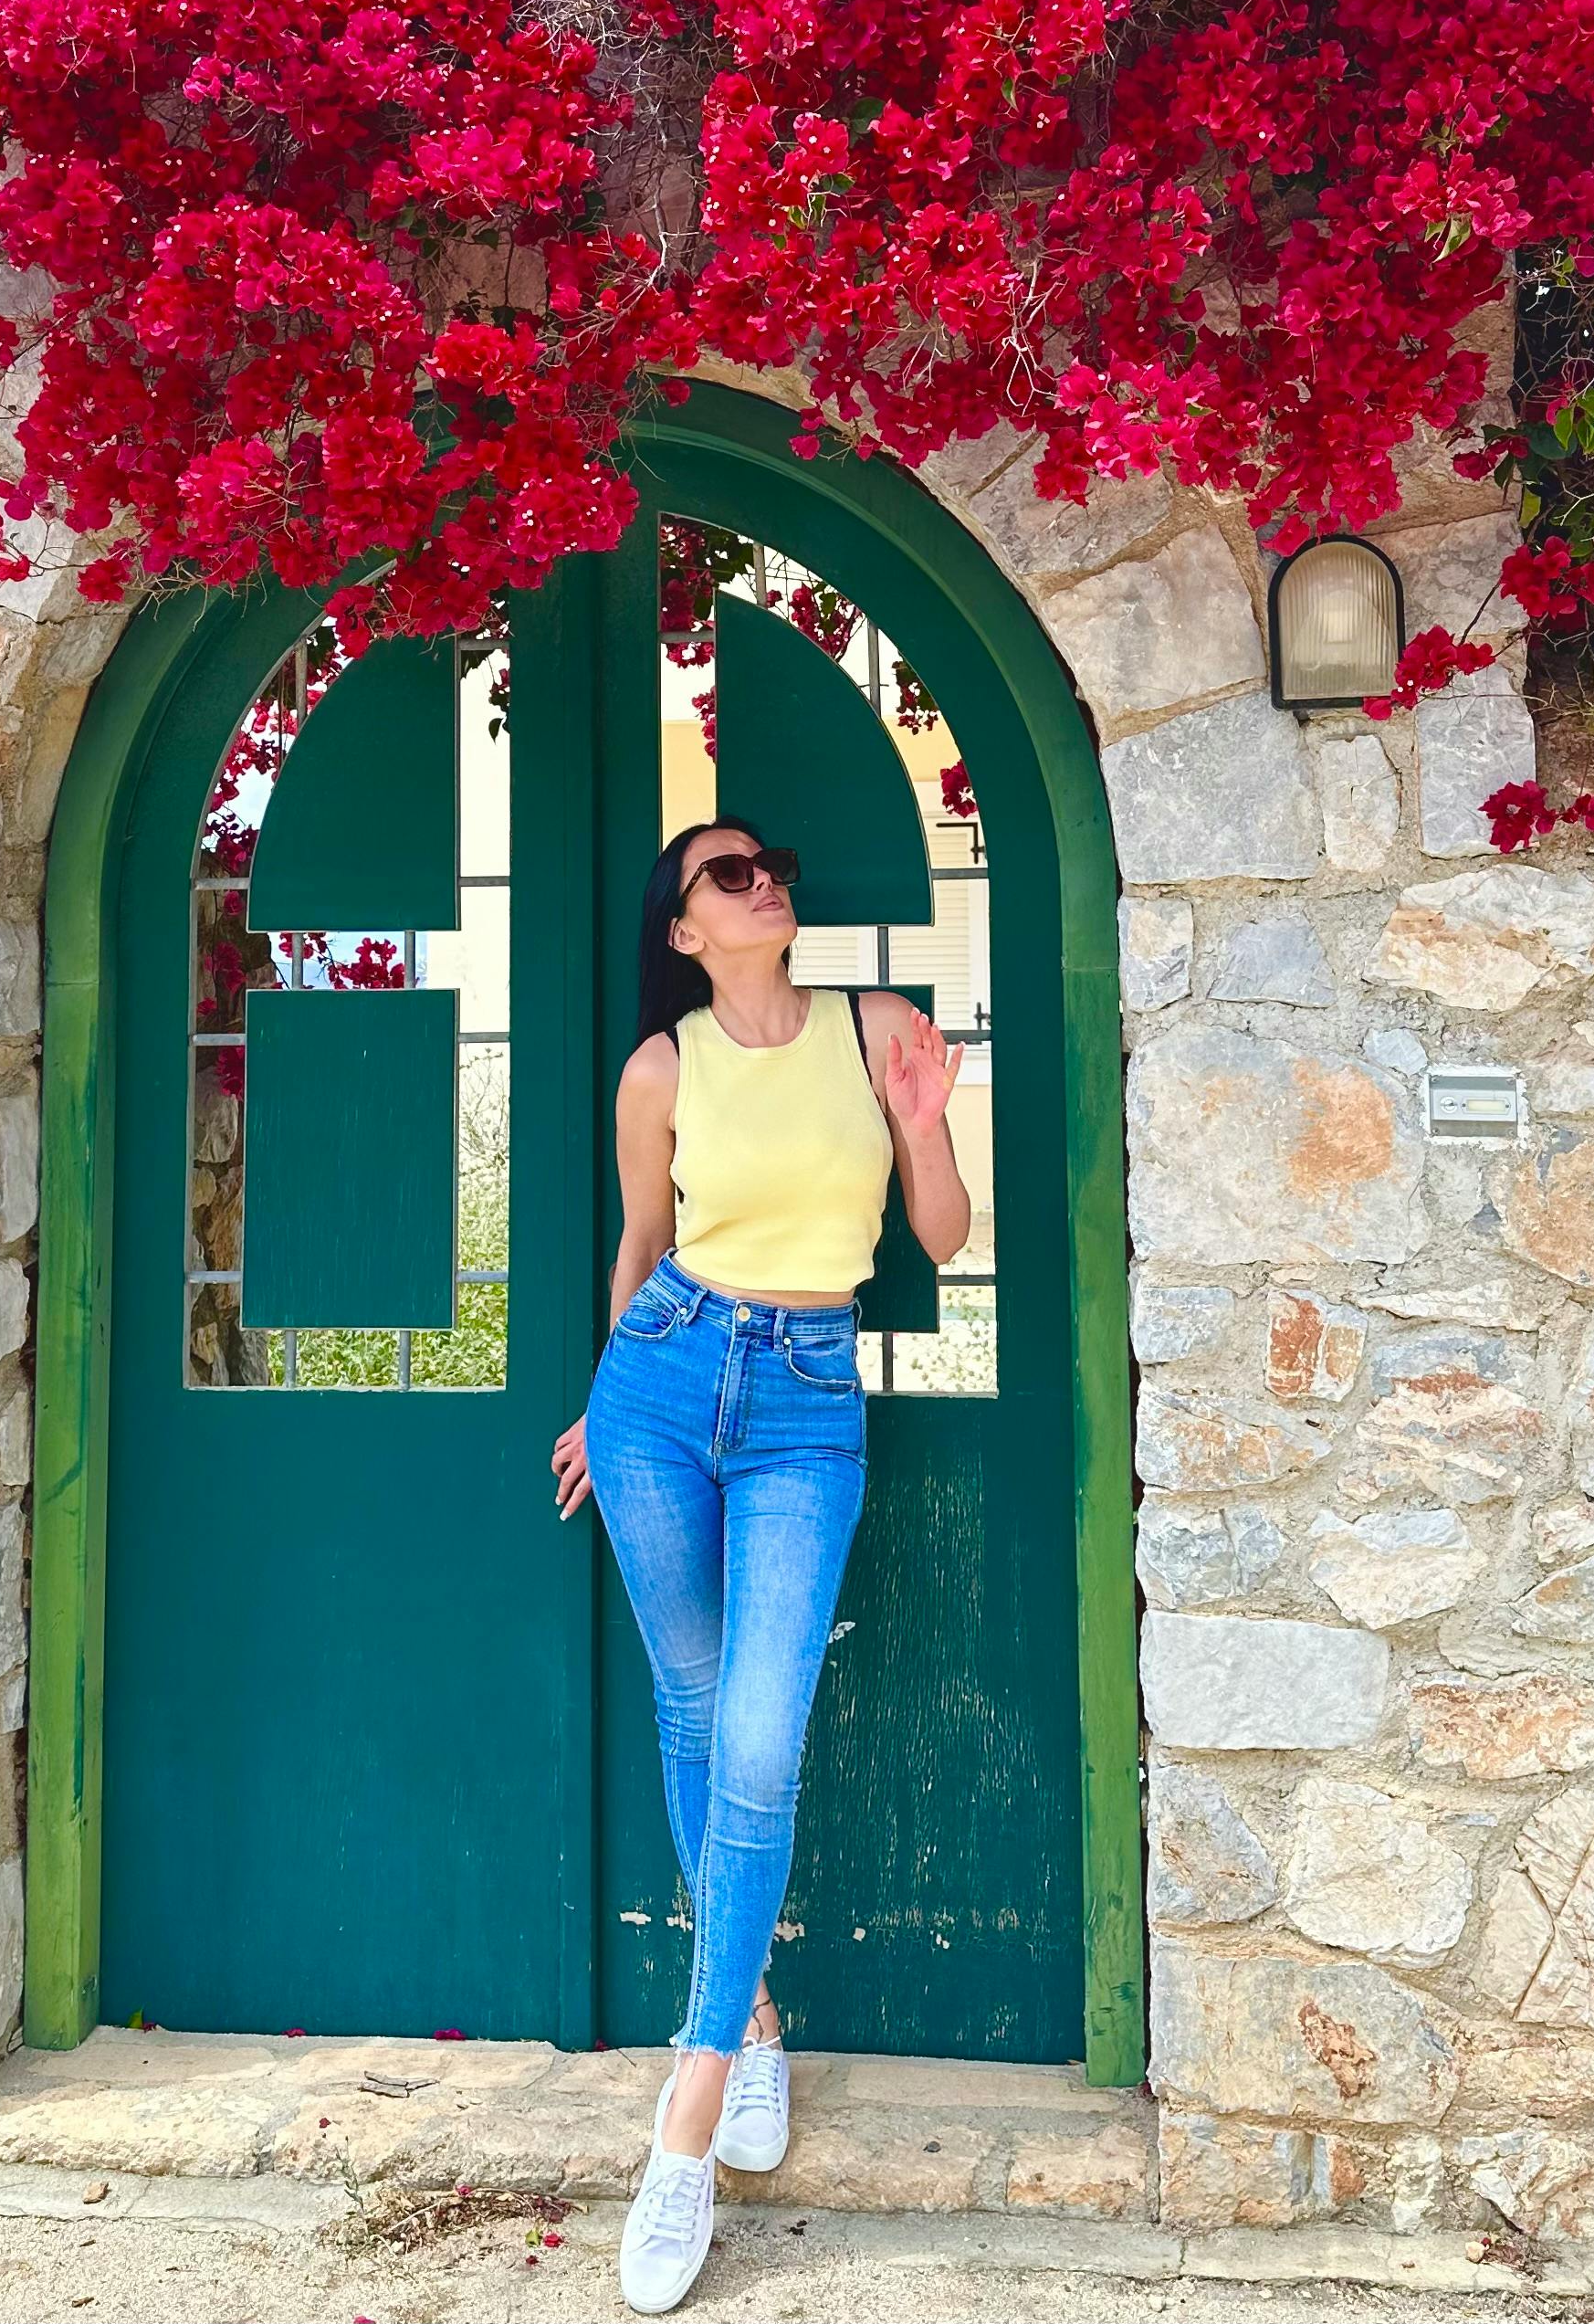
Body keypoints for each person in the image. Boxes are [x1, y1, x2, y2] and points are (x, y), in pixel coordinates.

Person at [550, 817, 970, 2315]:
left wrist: (924, 1120)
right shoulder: (660, 1069)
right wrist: (605, 1401)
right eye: (727, 875)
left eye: (771, 862)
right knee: (690, 1702)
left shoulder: (872, 1033)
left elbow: (939, 1230)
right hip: (661, 1384)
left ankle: (692, 2100)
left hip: (805, 1398)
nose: (764, 880)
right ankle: (759, 2012)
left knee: (755, 1735)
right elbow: (641, 1239)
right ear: (684, 928)